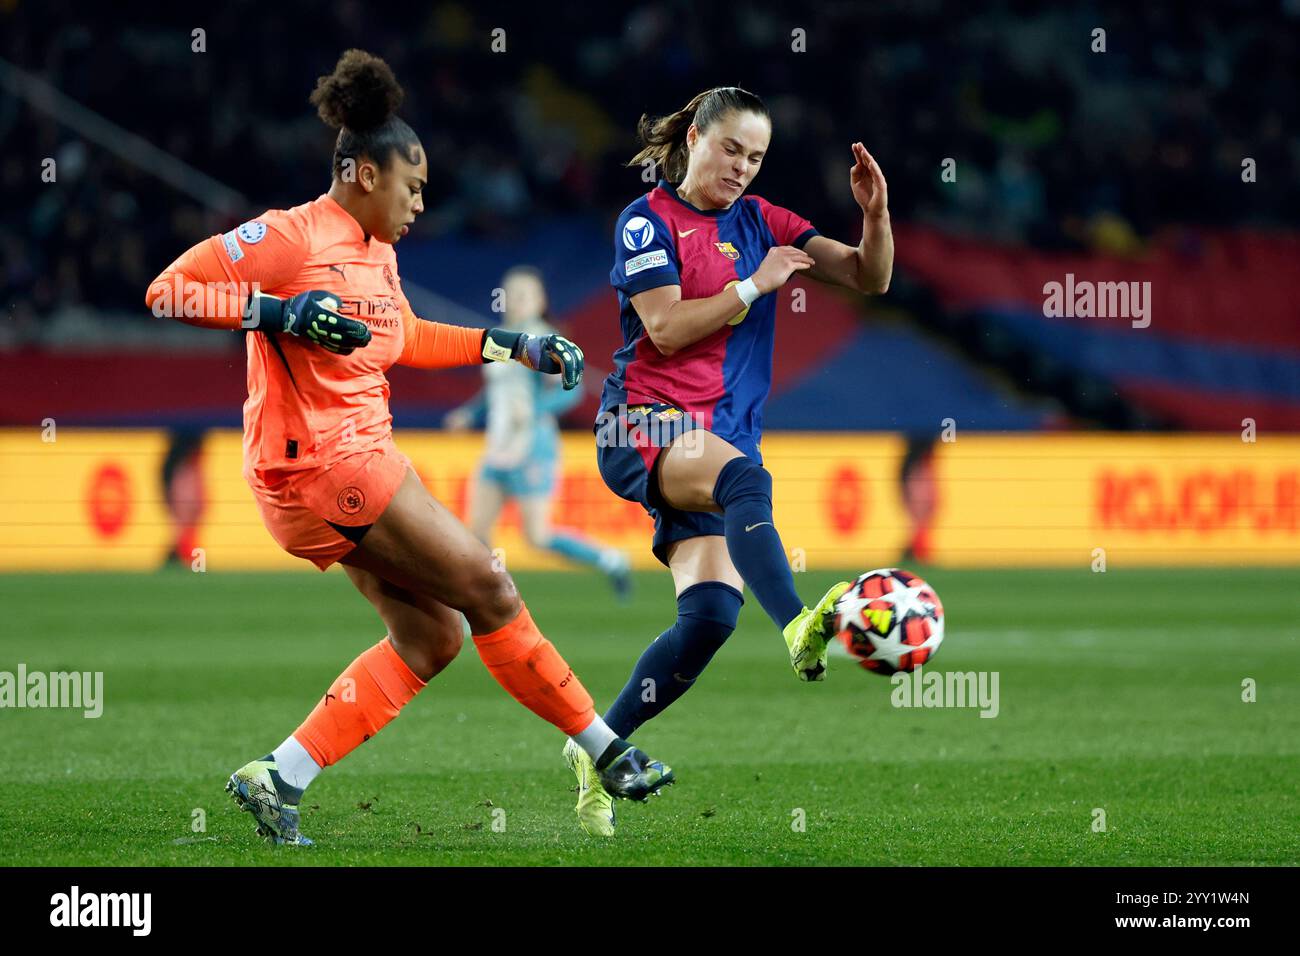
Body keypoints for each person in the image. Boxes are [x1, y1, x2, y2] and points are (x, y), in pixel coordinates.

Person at [144, 49, 671, 846]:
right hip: (327, 465)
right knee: (490, 588)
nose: (421, 203)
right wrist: (279, 315)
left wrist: (511, 345)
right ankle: (604, 748)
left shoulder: (377, 253)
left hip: (335, 471)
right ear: (361, 173)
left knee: (434, 636)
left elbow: (405, 336)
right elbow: (168, 290)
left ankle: (278, 776)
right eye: (412, 186)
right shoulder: (291, 236)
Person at [564, 86, 893, 835]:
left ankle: (598, 751)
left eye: (756, 156)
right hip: (640, 425)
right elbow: (667, 329)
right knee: (747, 480)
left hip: (712, 438)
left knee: (710, 615)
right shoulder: (647, 220)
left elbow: (870, 279)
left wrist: (874, 216)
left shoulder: (765, 221)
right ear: (695, 141)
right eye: (731, 149)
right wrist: (753, 285)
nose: (742, 168)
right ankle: (797, 626)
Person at [446, 265, 632, 598]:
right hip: (499, 446)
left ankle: (610, 560)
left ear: (539, 300)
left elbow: (570, 390)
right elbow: (497, 390)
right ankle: (482, 598)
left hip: (532, 447)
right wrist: (470, 414)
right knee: (474, 533)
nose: (515, 301)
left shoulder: (544, 341)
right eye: (510, 294)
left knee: (537, 537)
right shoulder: (501, 339)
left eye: (523, 295)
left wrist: (534, 411)